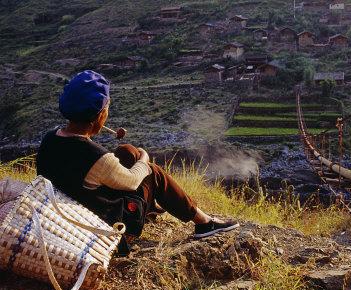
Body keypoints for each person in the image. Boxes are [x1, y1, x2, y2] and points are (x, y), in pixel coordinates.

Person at [36, 70, 239, 249]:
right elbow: (132, 181)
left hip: (74, 212)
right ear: (99, 115)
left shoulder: (50, 138)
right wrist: (144, 158)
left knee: (126, 151)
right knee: (153, 172)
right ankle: (204, 222)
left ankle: (153, 205)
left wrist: (132, 154)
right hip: (108, 227)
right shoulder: (95, 158)